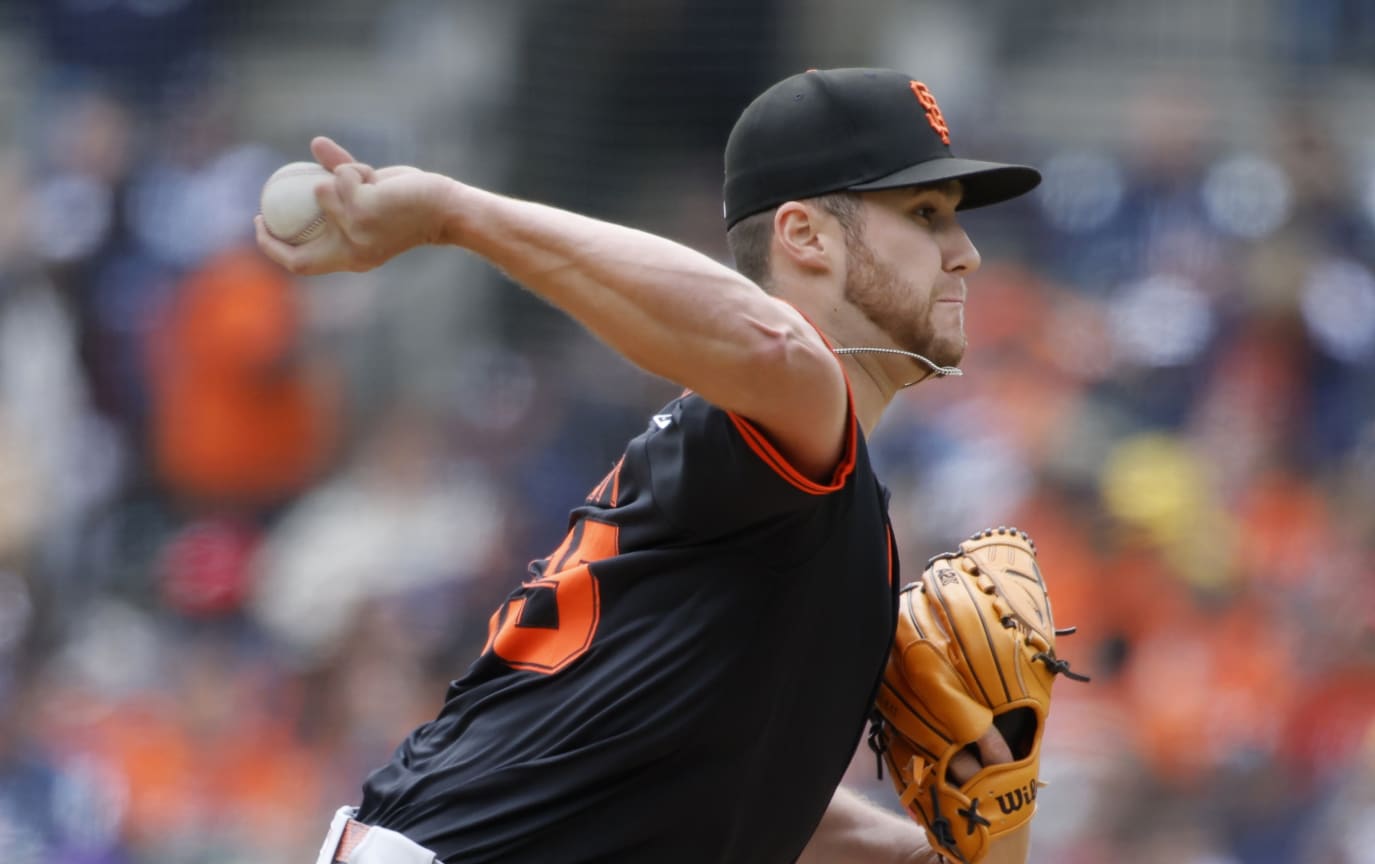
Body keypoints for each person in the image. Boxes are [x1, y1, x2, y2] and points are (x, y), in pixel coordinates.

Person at [257, 67, 1043, 864]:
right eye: (926, 215)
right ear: (804, 236)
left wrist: (922, 854)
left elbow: (727, 782)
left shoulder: (824, 491)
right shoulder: (797, 403)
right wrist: (452, 213)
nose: (966, 253)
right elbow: (772, 342)